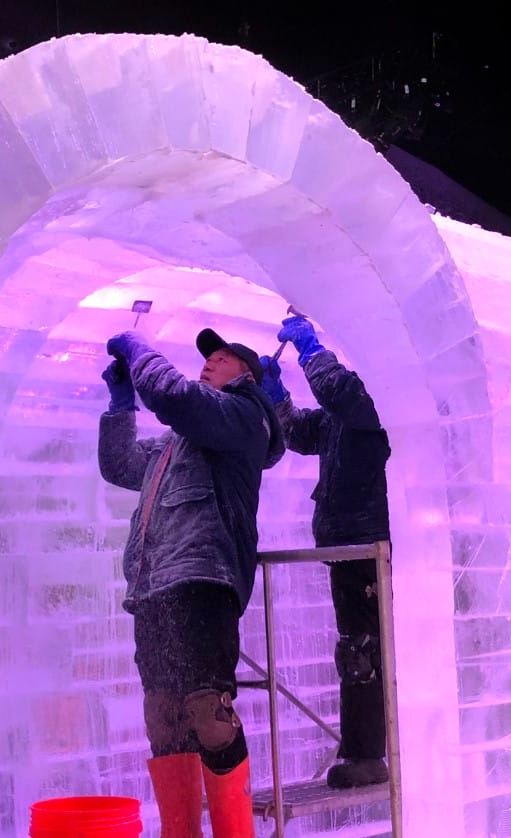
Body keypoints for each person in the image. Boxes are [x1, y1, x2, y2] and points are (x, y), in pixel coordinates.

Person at [98, 326, 284, 837]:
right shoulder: (179, 442)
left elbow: (172, 394)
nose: (210, 363)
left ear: (247, 377)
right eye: (208, 357)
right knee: (165, 718)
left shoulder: (243, 418)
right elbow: (118, 466)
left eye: (223, 359)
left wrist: (139, 351)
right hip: (155, 588)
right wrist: (120, 406)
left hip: (202, 580)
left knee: (208, 714)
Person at [259, 315, 392, 790]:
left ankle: (368, 753)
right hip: (349, 547)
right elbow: (298, 432)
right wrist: (275, 396)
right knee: (357, 651)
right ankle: (363, 753)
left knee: (368, 651)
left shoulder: (379, 400)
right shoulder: (343, 415)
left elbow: (338, 392)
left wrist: (309, 349)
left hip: (374, 549)